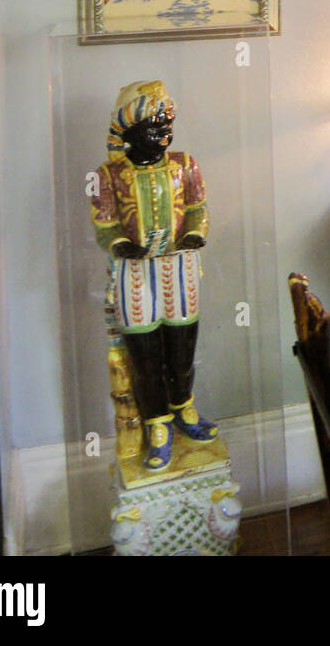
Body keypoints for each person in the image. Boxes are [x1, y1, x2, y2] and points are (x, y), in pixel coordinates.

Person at [89, 81, 217, 472]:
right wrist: (120, 245)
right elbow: (105, 224)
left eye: (167, 127)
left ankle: (184, 408)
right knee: (145, 358)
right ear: (127, 133)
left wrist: (195, 234)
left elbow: (198, 209)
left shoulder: (185, 164)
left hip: (179, 268)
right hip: (133, 274)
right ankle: (156, 425)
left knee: (181, 352)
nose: (163, 136)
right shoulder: (107, 175)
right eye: (152, 129)